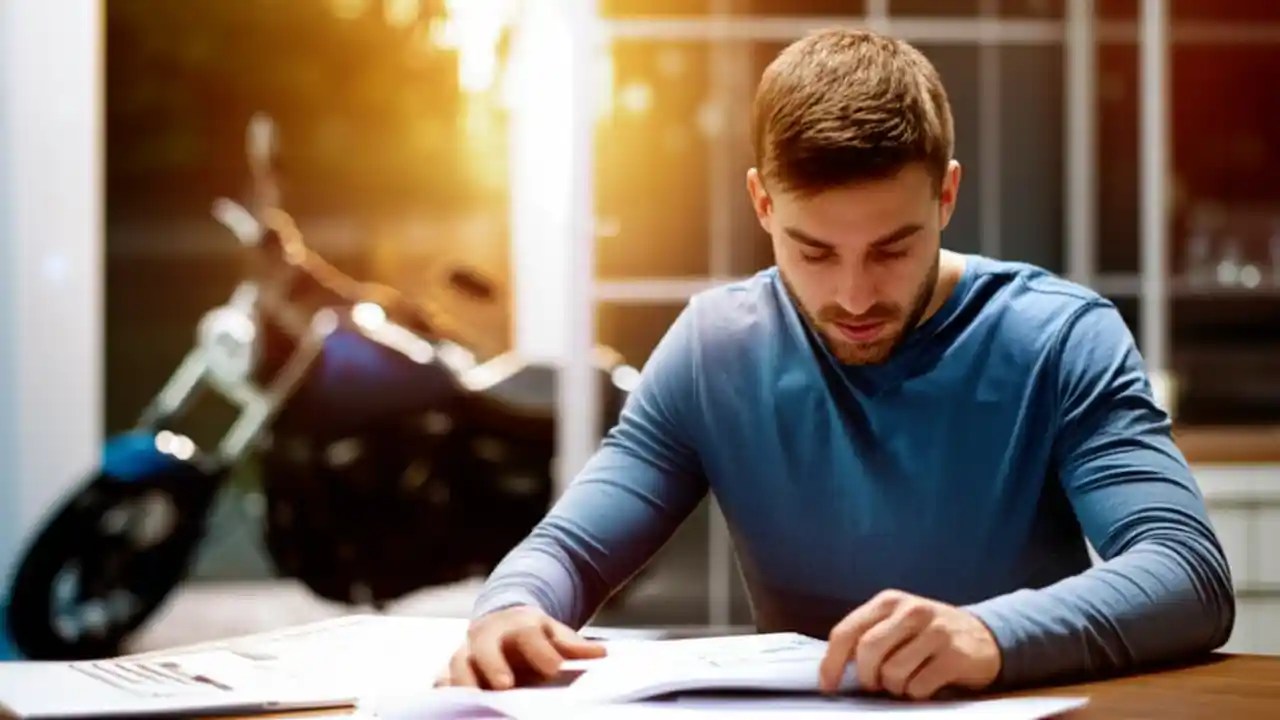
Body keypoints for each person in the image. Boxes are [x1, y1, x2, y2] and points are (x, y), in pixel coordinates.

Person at [437, 28, 1234, 699]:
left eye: (893, 248)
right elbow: (570, 551)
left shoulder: (1061, 338)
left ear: (946, 197)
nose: (854, 296)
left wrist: (989, 633)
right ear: (763, 206)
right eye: (812, 251)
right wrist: (510, 608)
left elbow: (1187, 574)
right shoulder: (714, 346)